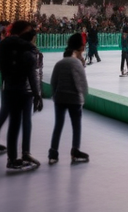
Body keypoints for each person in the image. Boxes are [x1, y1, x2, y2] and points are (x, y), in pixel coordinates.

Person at [0, 20, 43, 172]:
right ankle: (24, 154)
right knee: (25, 122)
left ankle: (12, 158)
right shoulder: (27, 49)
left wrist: (8, 78)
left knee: (14, 124)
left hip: (10, 88)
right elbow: (32, 74)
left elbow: (1, 65)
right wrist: (37, 94)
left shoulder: (5, 46)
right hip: (23, 91)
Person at [47, 33, 89, 164]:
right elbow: (81, 82)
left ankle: (53, 153)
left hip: (60, 98)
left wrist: (54, 95)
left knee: (58, 125)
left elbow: (53, 81)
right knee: (76, 126)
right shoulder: (77, 63)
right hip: (74, 99)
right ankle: (75, 151)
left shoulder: (59, 64)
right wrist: (82, 97)